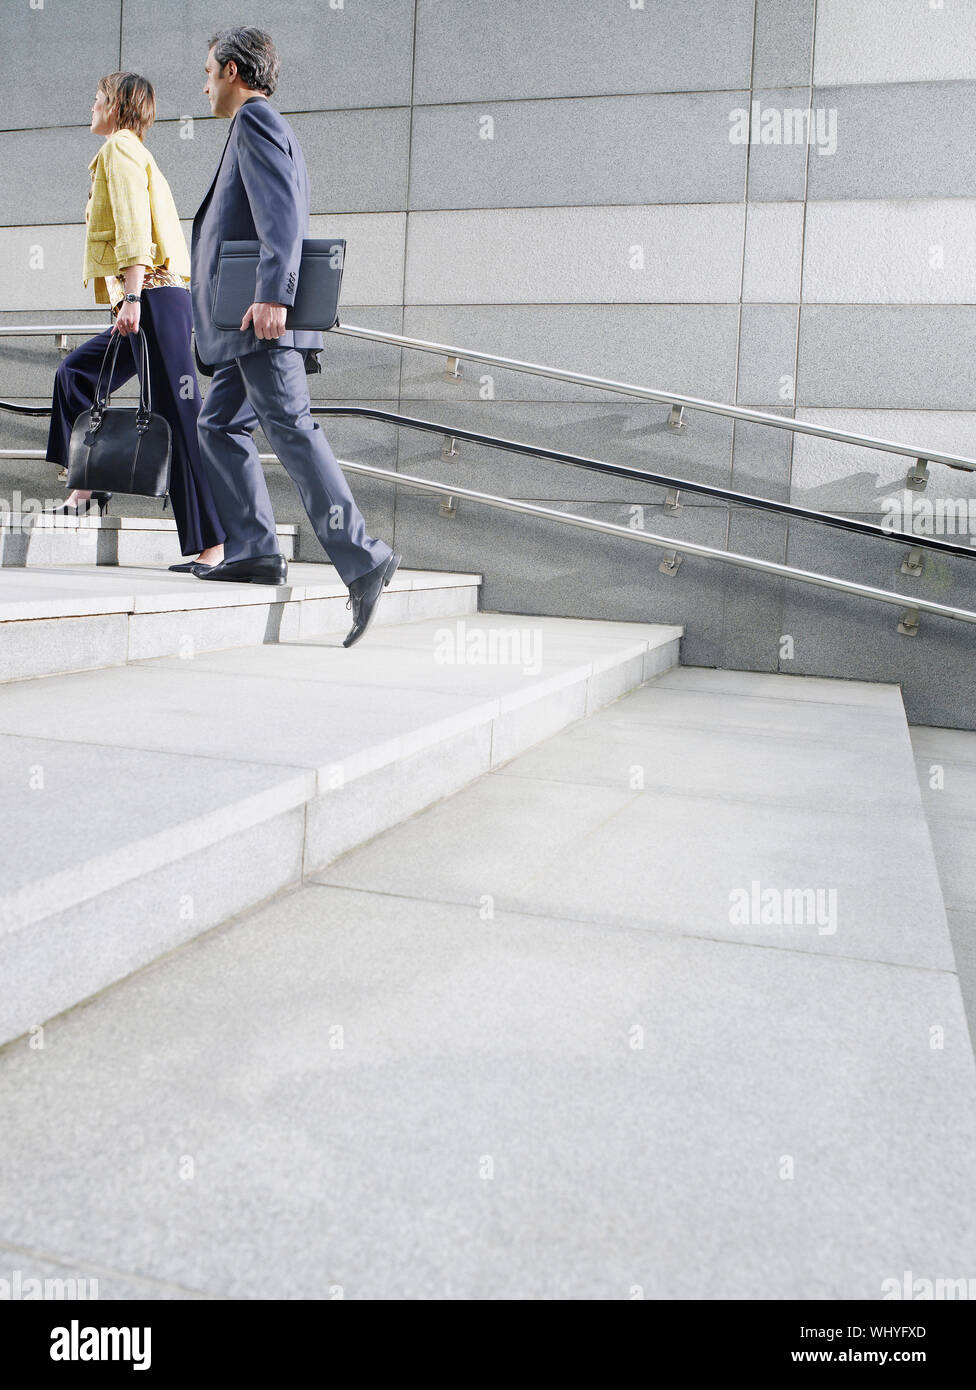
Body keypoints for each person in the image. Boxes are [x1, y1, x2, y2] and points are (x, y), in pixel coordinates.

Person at [192, 26, 399, 647]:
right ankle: (254, 549)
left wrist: (273, 295)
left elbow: (281, 211)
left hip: (260, 317)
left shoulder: (255, 122)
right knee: (216, 424)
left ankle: (364, 558)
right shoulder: (255, 126)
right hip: (244, 322)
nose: (204, 85)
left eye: (207, 72)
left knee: (291, 427)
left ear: (231, 70)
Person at [45, 71, 226, 573]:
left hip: (152, 299)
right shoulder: (130, 151)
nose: (92, 104)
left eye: (99, 98)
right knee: (75, 374)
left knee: (181, 418)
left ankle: (215, 545)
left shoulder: (120, 149)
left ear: (119, 107)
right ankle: (86, 478)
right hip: (150, 302)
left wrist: (131, 295)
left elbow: (132, 228)